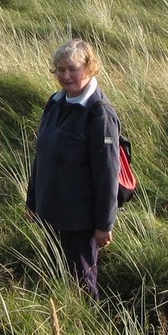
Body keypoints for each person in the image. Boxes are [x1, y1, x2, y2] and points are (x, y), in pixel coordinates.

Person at [25, 39, 122, 300]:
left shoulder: (99, 112)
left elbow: (107, 173)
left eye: (73, 69)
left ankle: (87, 321)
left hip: (79, 221)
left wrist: (104, 223)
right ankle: (60, 319)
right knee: (54, 276)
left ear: (89, 68)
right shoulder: (55, 102)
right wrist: (33, 202)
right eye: (60, 69)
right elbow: (42, 157)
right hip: (50, 213)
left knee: (82, 284)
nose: (66, 76)